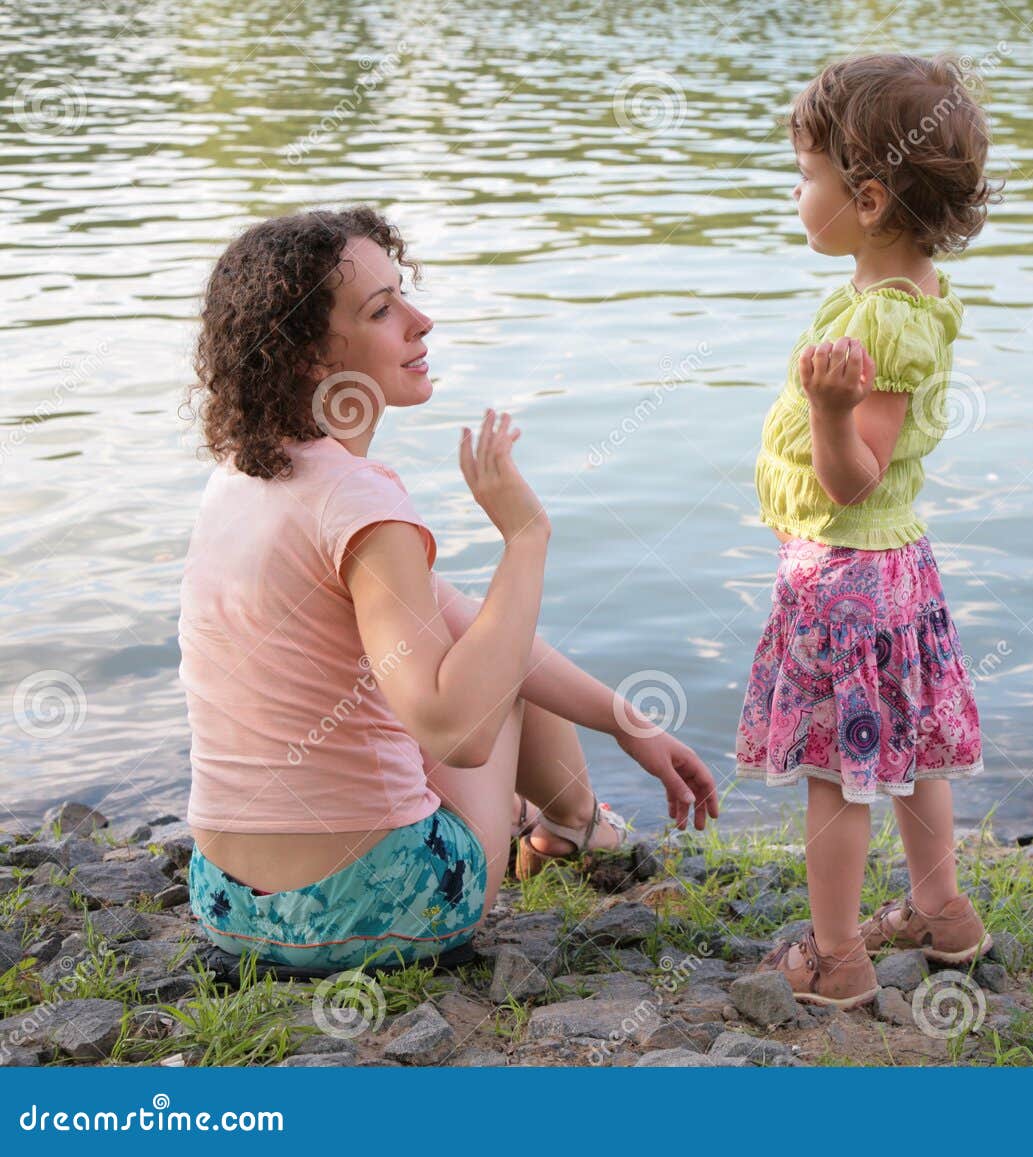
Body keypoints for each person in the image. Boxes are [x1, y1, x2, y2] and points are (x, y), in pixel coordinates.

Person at [179, 207, 718, 971]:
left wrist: (629, 721)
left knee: (476, 635)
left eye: (405, 296)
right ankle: (571, 822)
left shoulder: (239, 477)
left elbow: (459, 620)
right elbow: (455, 729)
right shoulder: (362, 502)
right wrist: (525, 539)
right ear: (307, 357)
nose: (420, 321)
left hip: (229, 904)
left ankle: (569, 820)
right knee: (486, 660)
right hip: (377, 908)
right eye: (382, 310)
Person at [736, 54, 1002, 1007]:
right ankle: (943, 911)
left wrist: (828, 410)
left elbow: (854, 479)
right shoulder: (905, 294)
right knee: (912, 751)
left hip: (846, 574)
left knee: (836, 774)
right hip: (893, 567)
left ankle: (838, 956)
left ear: (872, 197)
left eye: (806, 175)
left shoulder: (882, 327)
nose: (797, 192)